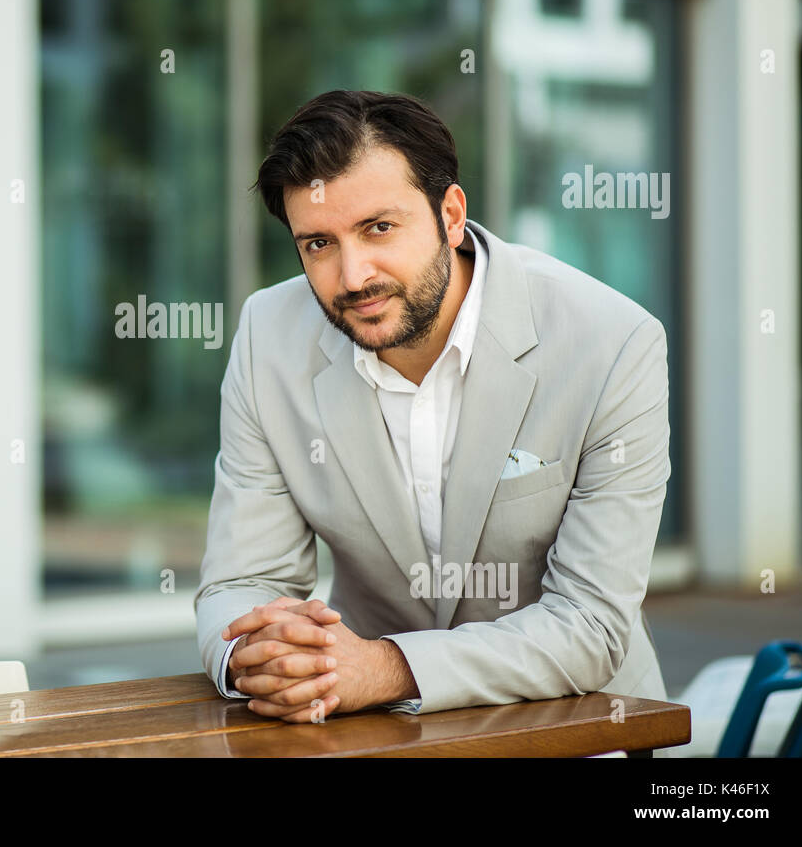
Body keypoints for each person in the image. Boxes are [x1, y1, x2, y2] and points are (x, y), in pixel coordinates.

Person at [194, 89, 670, 730]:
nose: (353, 275)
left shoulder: (612, 343)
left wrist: (381, 668)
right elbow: (241, 580)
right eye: (318, 245)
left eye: (378, 228)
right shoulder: (267, 335)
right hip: (367, 731)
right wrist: (260, 652)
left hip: (577, 725)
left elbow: (590, 624)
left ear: (450, 214)